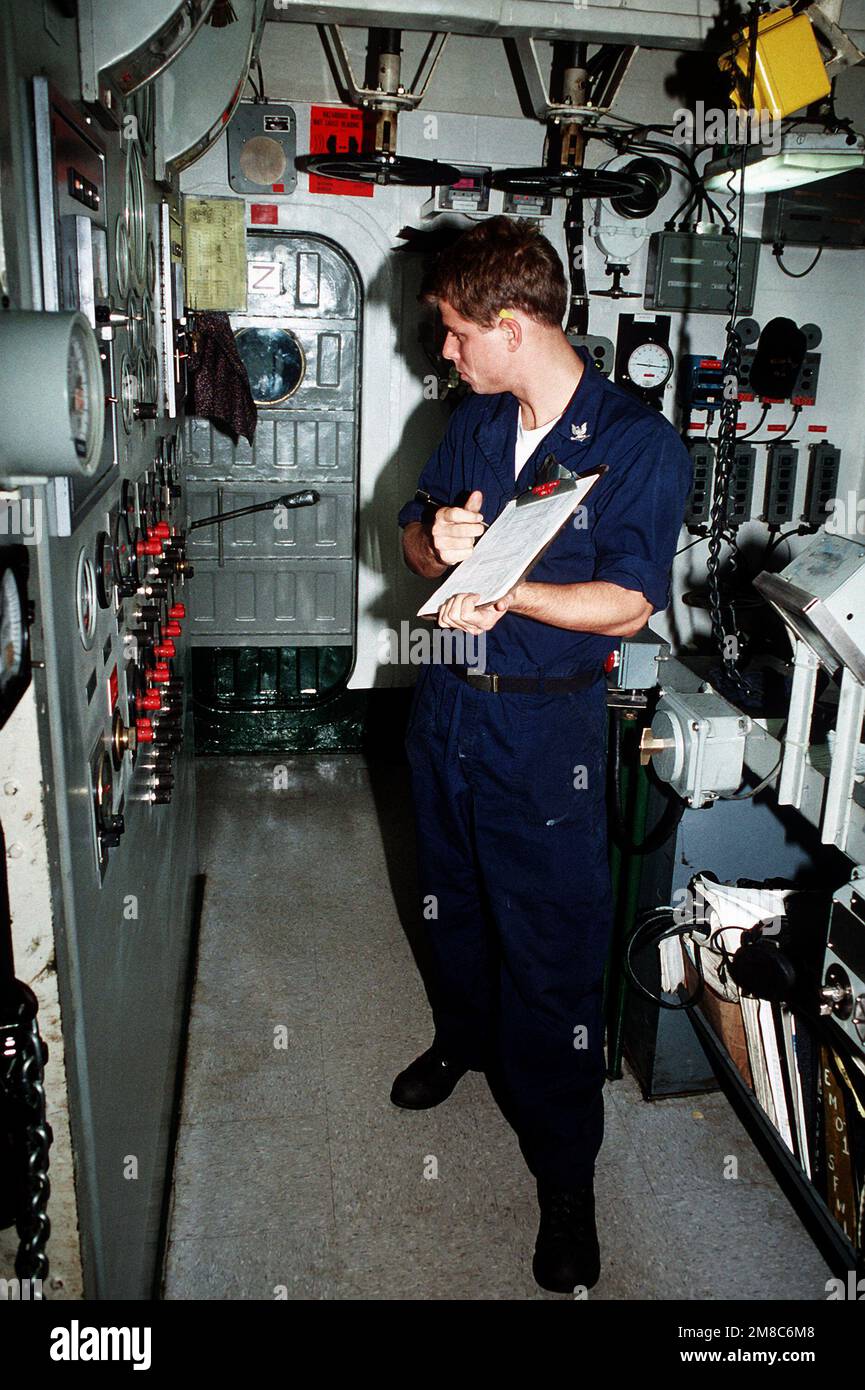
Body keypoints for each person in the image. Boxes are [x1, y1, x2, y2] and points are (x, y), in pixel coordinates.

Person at [393, 216, 692, 1293]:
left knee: (554, 952)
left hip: (544, 731)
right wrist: (443, 542)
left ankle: (565, 1180)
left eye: (455, 333)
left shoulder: (636, 444)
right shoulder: (478, 422)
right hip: (447, 714)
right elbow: (411, 527)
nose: (445, 352)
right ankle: (462, 1036)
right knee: (453, 901)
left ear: (509, 326)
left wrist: (504, 587)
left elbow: (625, 603)